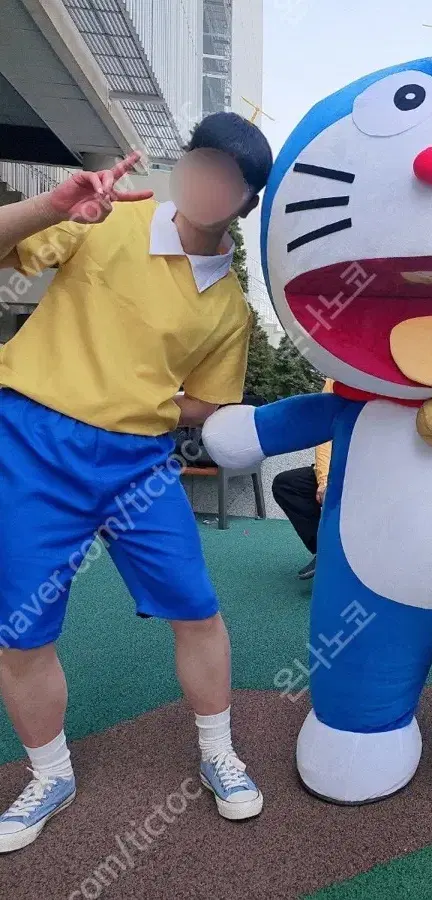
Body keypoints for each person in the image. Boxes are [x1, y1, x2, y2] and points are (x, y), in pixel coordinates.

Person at [0, 111, 273, 852]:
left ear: (246, 203)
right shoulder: (107, 218)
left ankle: (219, 752)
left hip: (139, 463)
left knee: (198, 608)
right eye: (201, 163)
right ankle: (49, 774)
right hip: (33, 442)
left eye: (229, 178)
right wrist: (51, 205)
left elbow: (209, 403)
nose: (208, 183)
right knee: (20, 631)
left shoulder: (229, 308)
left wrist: (139, 400)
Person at [271, 379, 334, 580]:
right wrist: (325, 481)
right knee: (288, 484)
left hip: (373, 473)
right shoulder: (336, 379)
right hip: (339, 468)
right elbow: (326, 434)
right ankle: (326, 552)